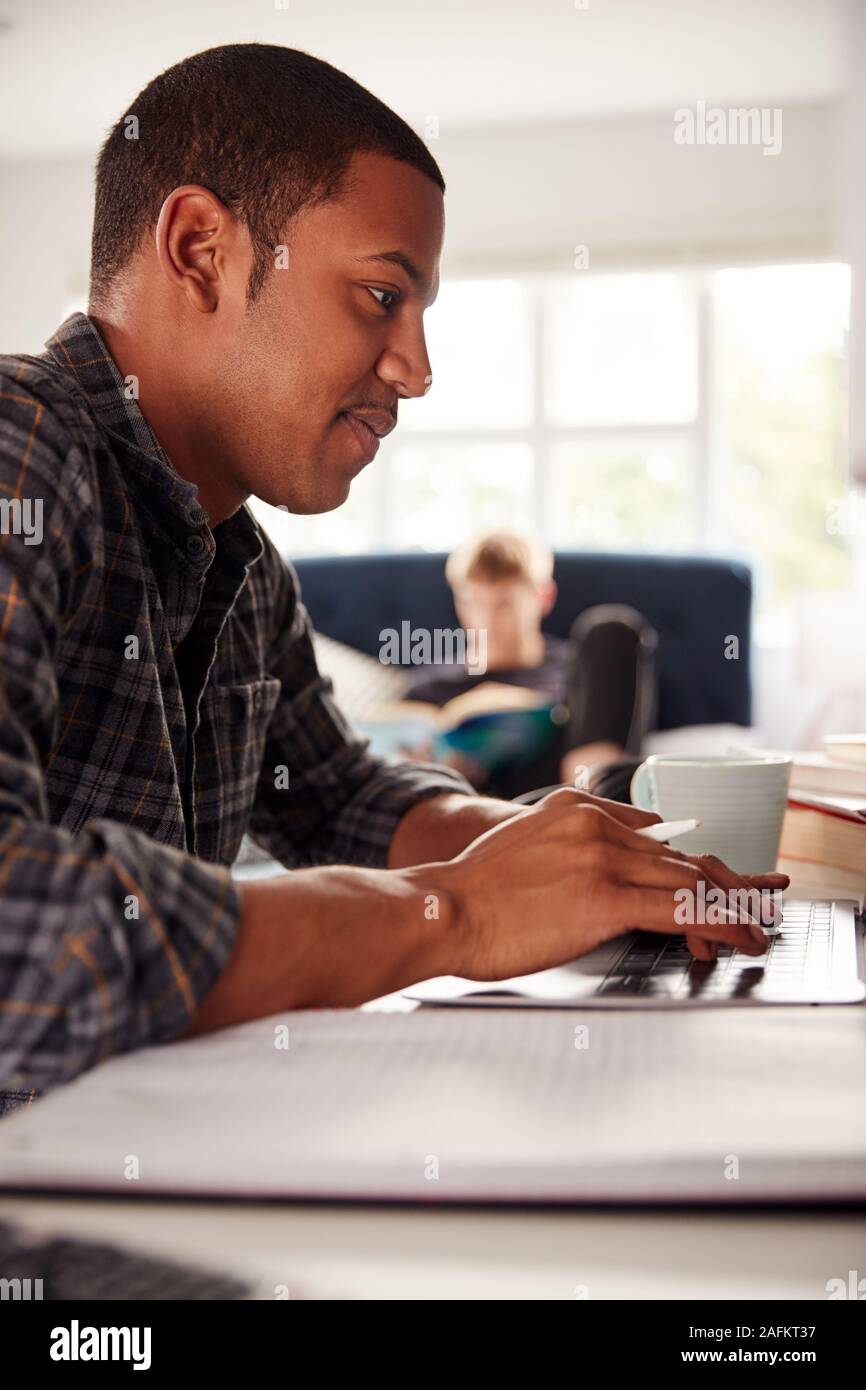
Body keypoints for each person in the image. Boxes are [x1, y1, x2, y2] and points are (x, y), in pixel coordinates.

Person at [0, 44, 784, 1110]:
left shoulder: (242, 566)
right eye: (380, 294)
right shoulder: (20, 453)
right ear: (199, 249)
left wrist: (558, 850)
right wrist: (453, 912)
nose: (416, 368)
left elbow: (341, 797)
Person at [403, 531, 658, 798]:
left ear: (543, 597)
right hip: (478, 810)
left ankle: (594, 798)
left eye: (504, 604)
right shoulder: (428, 687)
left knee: (610, 629)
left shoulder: (584, 669)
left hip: (571, 790)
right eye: (473, 602)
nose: (485, 620)